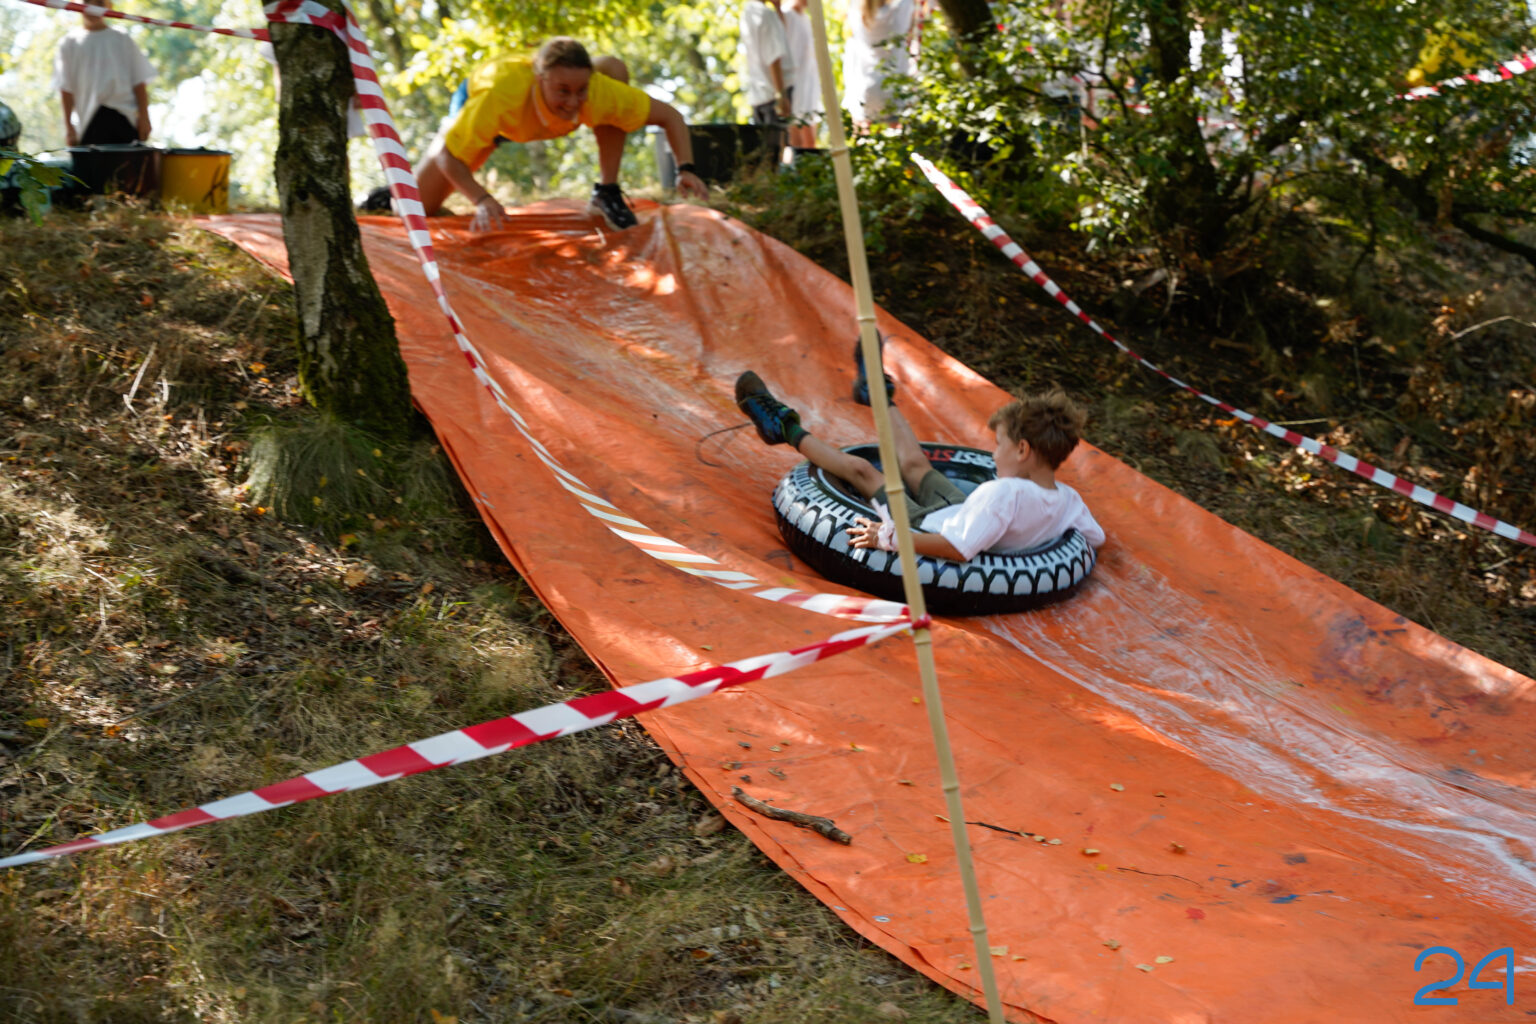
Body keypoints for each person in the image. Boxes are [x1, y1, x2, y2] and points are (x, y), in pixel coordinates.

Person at [733, 344, 1105, 561]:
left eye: (999, 445)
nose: (993, 457)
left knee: (864, 470)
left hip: (924, 524)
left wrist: (887, 538)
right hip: (957, 509)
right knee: (913, 464)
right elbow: (1095, 539)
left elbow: (959, 549)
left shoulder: (1002, 492)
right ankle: (875, 392)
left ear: (1023, 449)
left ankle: (782, 428)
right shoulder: (1070, 501)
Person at [370, 38, 707, 233]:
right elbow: (448, 156)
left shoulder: (598, 92)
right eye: (563, 91)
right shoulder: (498, 98)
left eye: (580, 90)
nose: (573, 102)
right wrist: (482, 199)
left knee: (615, 69)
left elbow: (671, 117)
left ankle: (608, 192)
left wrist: (687, 169)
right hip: (493, 117)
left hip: (533, 110)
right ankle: (395, 190)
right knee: (416, 208)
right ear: (541, 78)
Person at [53, 0, 156, 146]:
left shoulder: (122, 39)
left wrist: (144, 117)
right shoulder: (69, 43)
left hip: (125, 119)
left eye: (99, 3)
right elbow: (66, 89)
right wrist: (69, 128)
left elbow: (139, 82)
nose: (93, 8)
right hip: (88, 123)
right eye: (87, 2)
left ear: (108, 7)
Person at [842, 0, 915, 127]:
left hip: (865, 89)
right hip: (894, 90)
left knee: (863, 139)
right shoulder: (900, 10)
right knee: (901, 141)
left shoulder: (856, 10)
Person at [740, 0, 793, 128]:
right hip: (774, 96)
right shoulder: (765, 14)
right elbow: (774, 58)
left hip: (759, 97)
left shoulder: (747, 12)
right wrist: (781, 96)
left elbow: (782, 37)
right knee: (780, 145)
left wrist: (778, 8)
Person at [781, 0, 822, 149]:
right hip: (795, 89)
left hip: (810, 88)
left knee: (810, 145)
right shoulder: (786, 14)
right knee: (796, 145)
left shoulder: (805, 17)